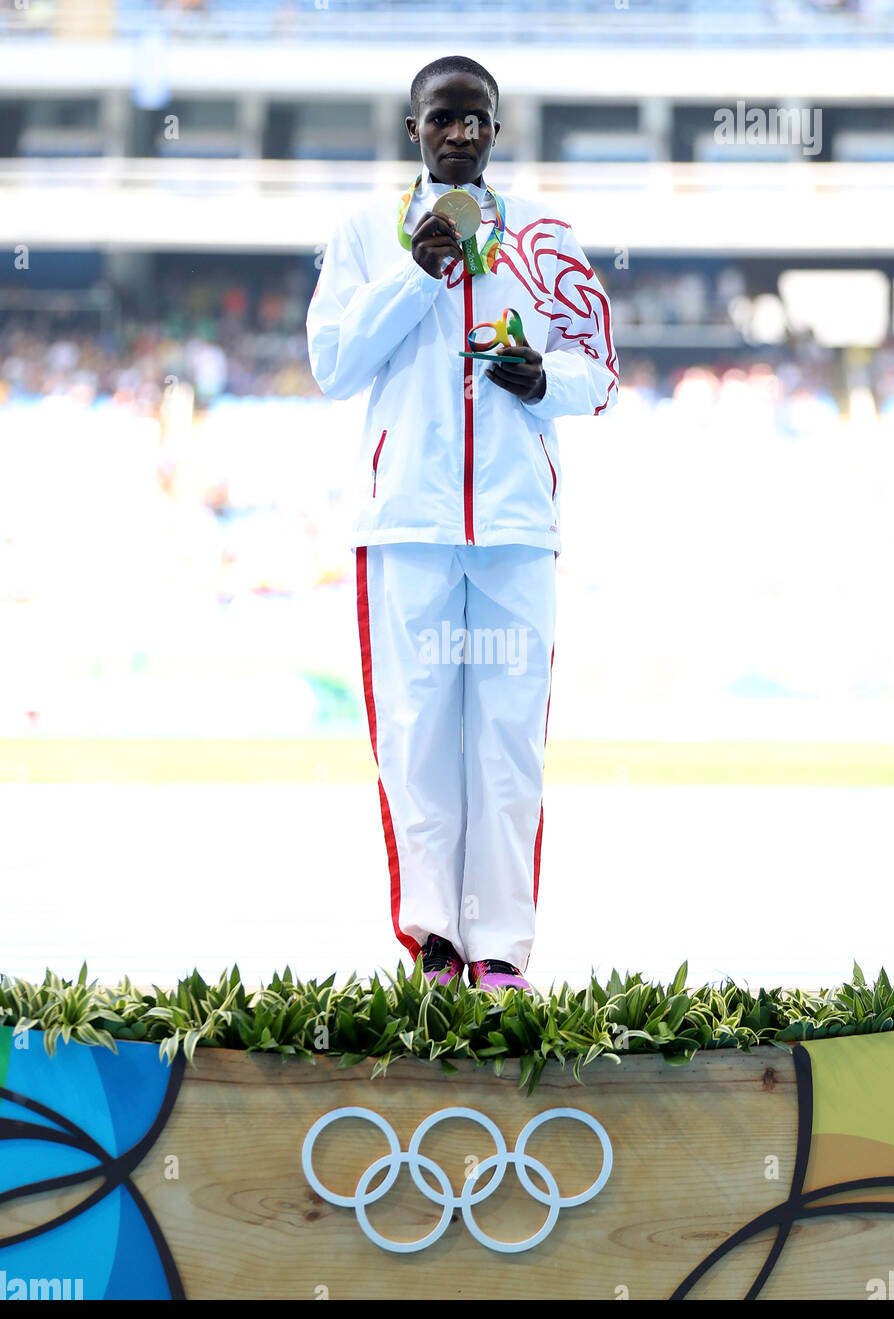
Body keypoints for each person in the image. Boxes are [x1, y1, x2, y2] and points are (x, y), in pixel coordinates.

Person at [306, 55, 617, 992]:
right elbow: (332, 365)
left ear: (496, 129)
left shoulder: (545, 240)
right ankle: (434, 941)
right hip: (407, 522)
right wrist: (416, 274)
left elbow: (597, 368)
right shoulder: (366, 234)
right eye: (443, 118)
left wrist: (544, 383)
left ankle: (499, 953)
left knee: (510, 741)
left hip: (518, 525)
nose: (461, 134)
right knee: (416, 735)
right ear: (414, 129)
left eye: (477, 120)